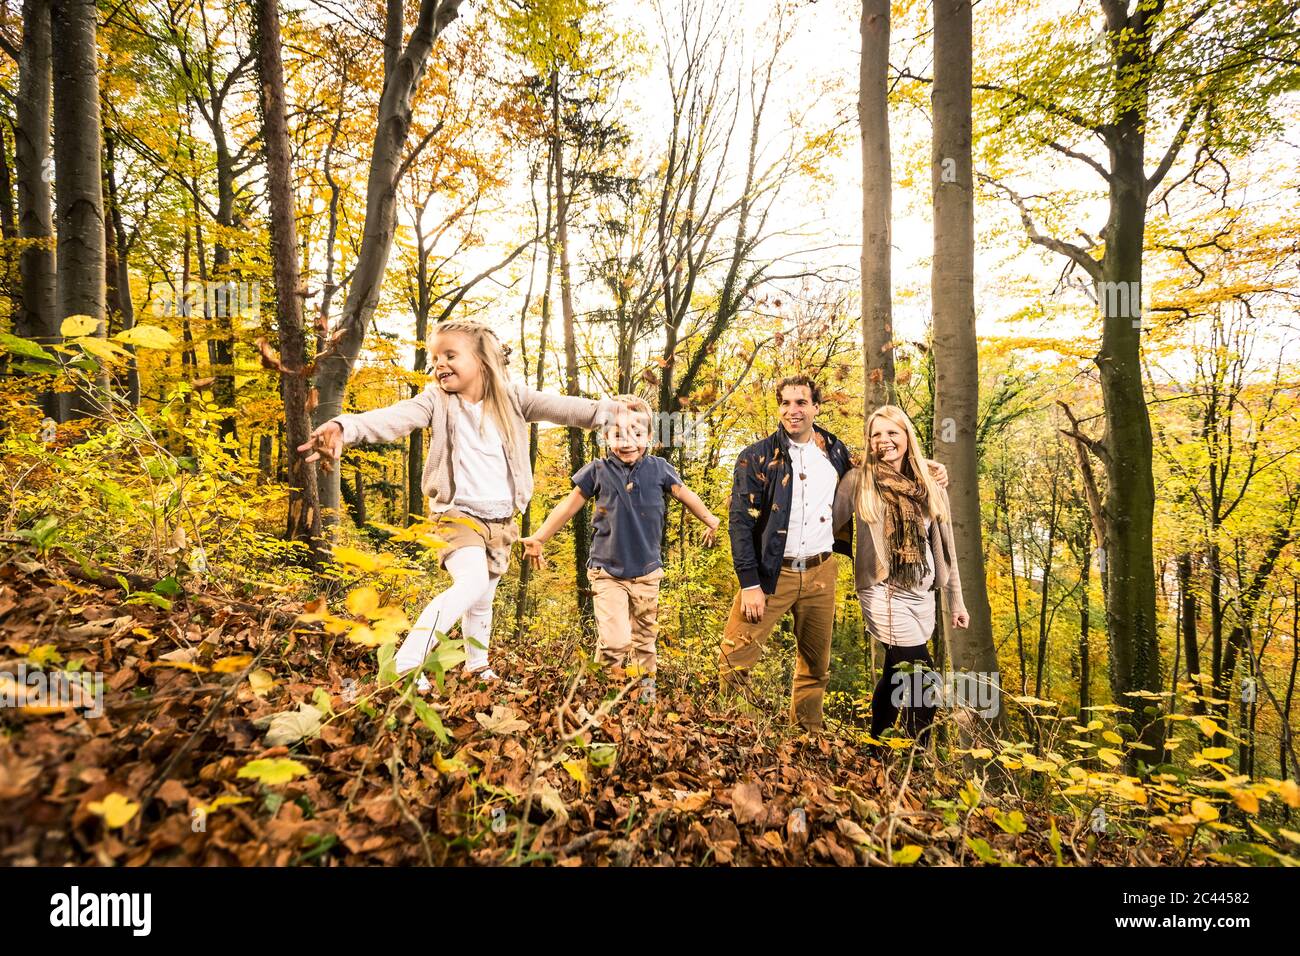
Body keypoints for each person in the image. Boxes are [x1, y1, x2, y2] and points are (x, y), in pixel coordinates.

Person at [298, 319, 635, 690]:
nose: (439, 364)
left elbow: (567, 409)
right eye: (435, 357)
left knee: (483, 598)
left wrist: (611, 411)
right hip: (456, 516)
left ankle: (477, 665)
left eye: (450, 355)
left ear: (481, 359)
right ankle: (407, 664)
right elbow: (394, 418)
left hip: (502, 522)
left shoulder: (514, 399)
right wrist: (346, 428)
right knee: (470, 583)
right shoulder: (435, 401)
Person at [719, 375, 950, 733]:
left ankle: (806, 738)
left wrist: (930, 467)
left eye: (800, 403)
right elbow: (740, 523)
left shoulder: (835, 452)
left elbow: (883, 466)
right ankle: (727, 731)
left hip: (820, 573)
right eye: (785, 403)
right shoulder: (757, 457)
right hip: (769, 575)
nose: (792, 411)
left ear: (815, 407)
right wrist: (749, 582)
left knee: (815, 668)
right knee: (735, 658)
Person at [520, 396, 720, 702]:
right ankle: (604, 694)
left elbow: (686, 495)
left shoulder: (660, 469)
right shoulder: (597, 470)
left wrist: (710, 519)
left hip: (647, 573)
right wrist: (540, 537)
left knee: (644, 640)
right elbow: (567, 507)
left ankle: (645, 699)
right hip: (607, 571)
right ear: (605, 435)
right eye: (617, 433)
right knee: (615, 642)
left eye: (636, 434)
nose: (627, 442)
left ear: (650, 437)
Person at [833, 404, 968, 745]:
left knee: (895, 674)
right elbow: (825, 524)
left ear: (907, 436)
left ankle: (876, 750)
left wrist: (956, 603)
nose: (884, 440)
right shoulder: (857, 480)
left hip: (921, 595)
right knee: (925, 681)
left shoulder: (930, 484)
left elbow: (946, 550)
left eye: (892, 432)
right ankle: (915, 762)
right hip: (882, 592)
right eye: (876, 434)